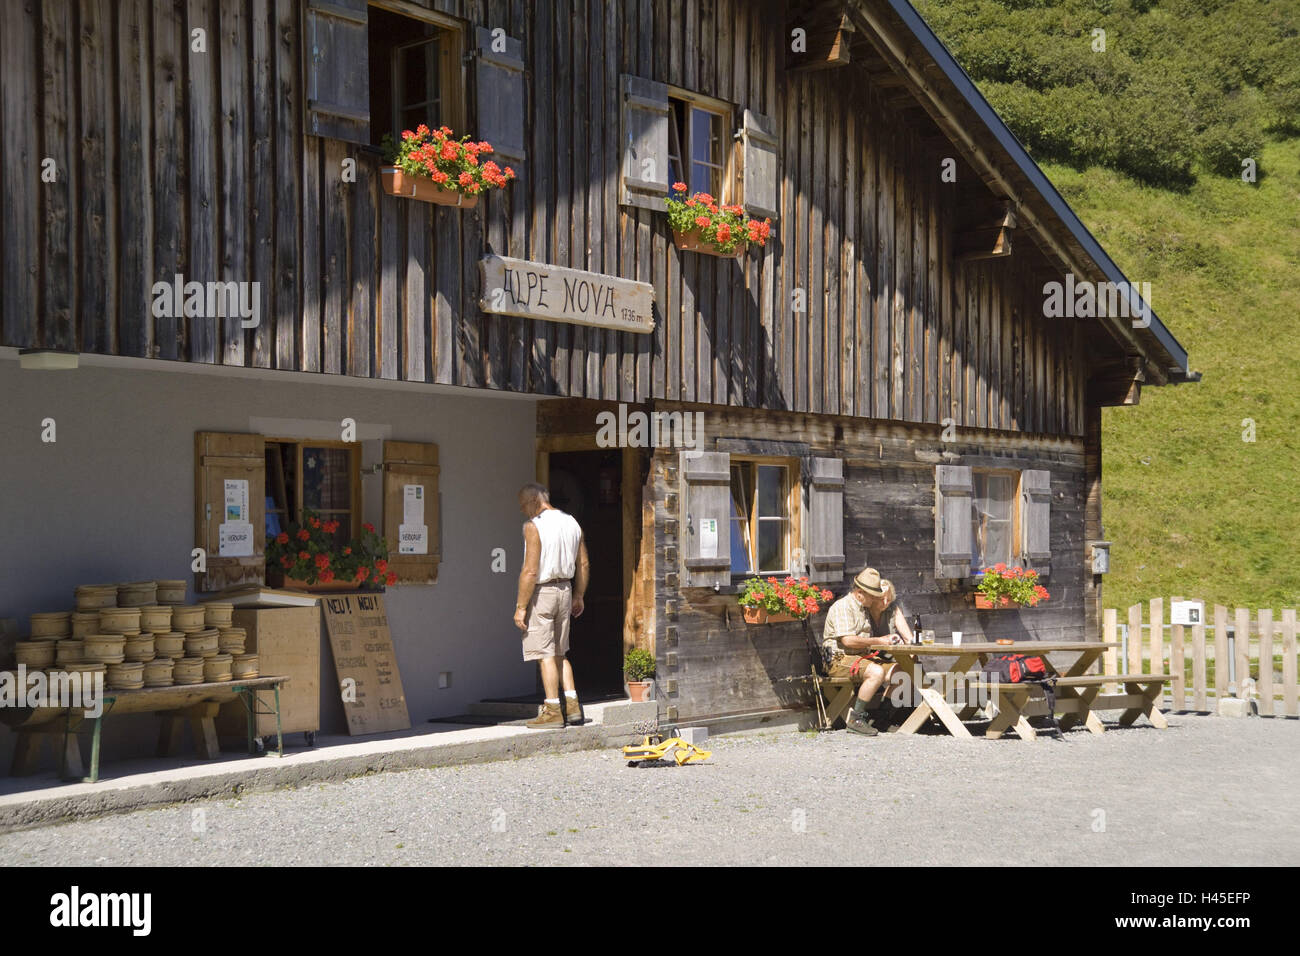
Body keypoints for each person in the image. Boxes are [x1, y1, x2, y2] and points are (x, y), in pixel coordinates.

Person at [515, 482, 590, 728]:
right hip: (566, 589)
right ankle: (573, 705)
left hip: (543, 591)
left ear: (535, 501)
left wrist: (521, 606)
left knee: (544, 653)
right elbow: (584, 564)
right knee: (561, 652)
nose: (524, 511)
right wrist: (579, 594)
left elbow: (530, 570)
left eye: (524, 505)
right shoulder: (572, 522)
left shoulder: (533, 526)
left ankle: (552, 710)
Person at [821, 568, 915, 736]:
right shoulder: (843, 606)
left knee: (902, 673)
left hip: (859, 658)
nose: (874, 599)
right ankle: (855, 720)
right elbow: (848, 641)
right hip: (837, 659)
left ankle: (881, 719)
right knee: (876, 672)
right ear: (859, 593)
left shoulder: (863, 607)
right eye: (872, 595)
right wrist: (879, 641)